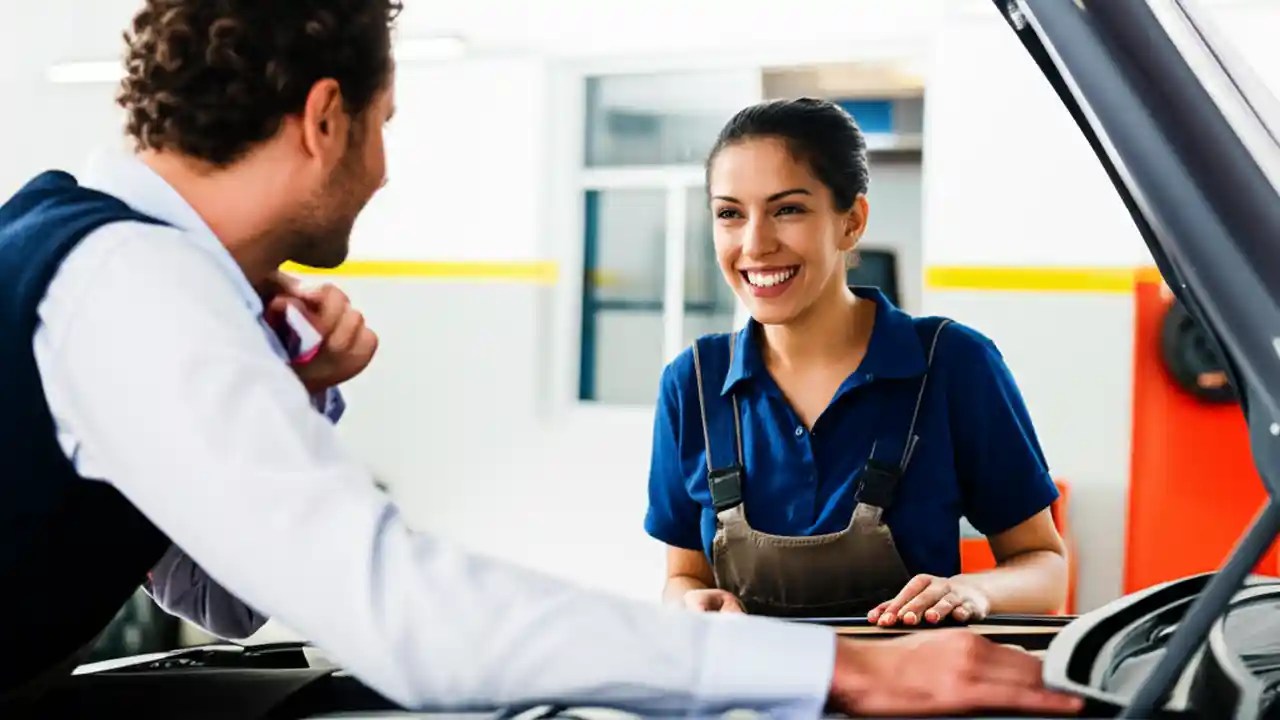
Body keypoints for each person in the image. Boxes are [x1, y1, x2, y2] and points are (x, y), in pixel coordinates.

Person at [0, 2, 1081, 717]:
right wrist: (845, 671)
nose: (382, 173)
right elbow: (408, 618)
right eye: (384, 125)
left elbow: (223, 596)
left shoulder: (89, 253)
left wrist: (287, 394)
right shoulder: (129, 288)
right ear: (326, 120)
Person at [646, 98, 1071, 628]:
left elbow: (1045, 566)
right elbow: (683, 577)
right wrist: (688, 602)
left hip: (913, 700)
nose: (755, 244)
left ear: (851, 223)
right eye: (730, 213)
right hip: (750, 703)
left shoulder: (953, 366)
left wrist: (972, 591)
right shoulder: (694, 384)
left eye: (788, 209)